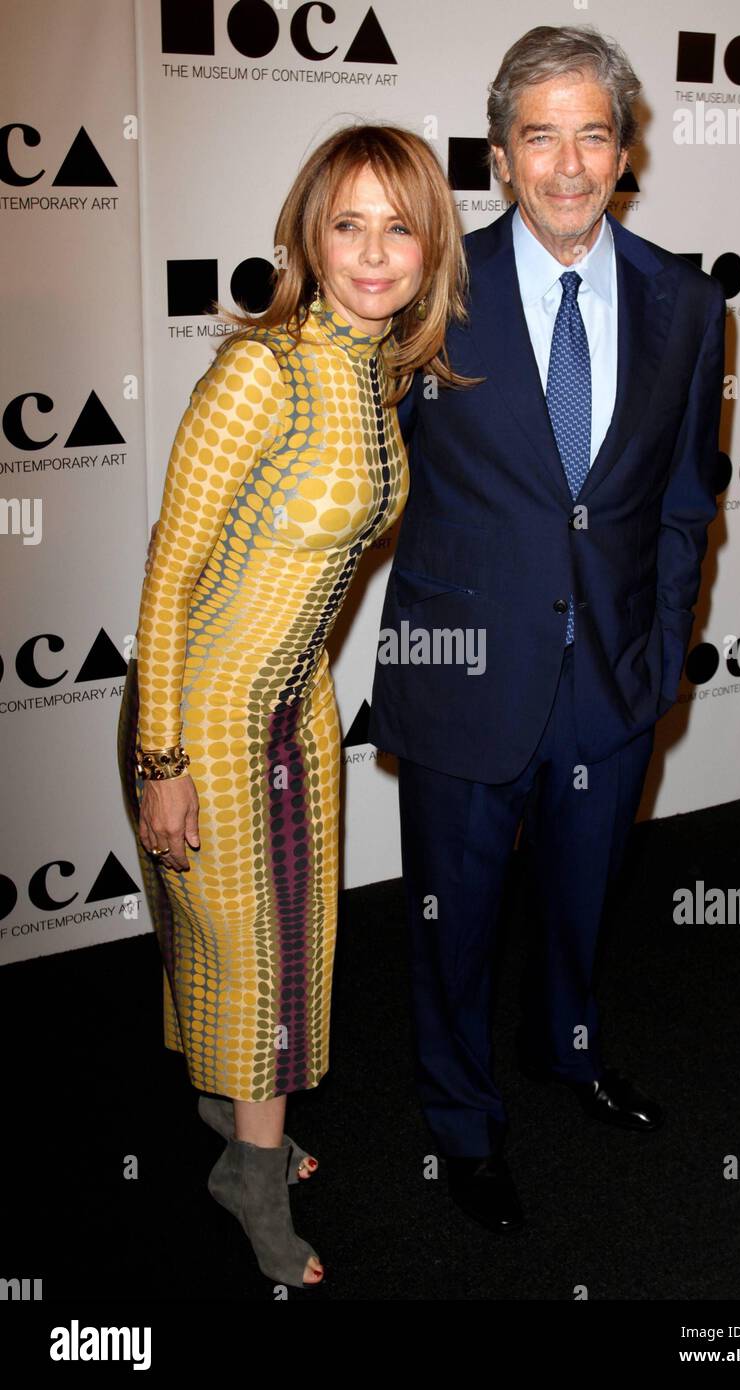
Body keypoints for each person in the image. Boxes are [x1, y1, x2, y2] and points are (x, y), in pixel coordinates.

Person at [369, 25, 727, 1232]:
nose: (569, 164)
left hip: (613, 680)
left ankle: (565, 1051)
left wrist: (660, 649)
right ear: (500, 154)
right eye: (542, 136)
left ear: (624, 149)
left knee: (584, 898)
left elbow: (687, 498)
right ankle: (462, 1121)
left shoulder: (690, 302)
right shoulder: (425, 291)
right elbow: (362, 477)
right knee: (452, 918)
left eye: (593, 133)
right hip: (463, 669)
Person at [117, 123, 474, 1286]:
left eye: (399, 226)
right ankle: (251, 1179)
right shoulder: (258, 370)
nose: (374, 253)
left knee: (276, 945)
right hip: (205, 707)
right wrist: (161, 757)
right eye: (347, 224)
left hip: (299, 706)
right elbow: (170, 576)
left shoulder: (379, 372)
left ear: (430, 245)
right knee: (255, 959)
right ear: (310, 237)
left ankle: (236, 1117)